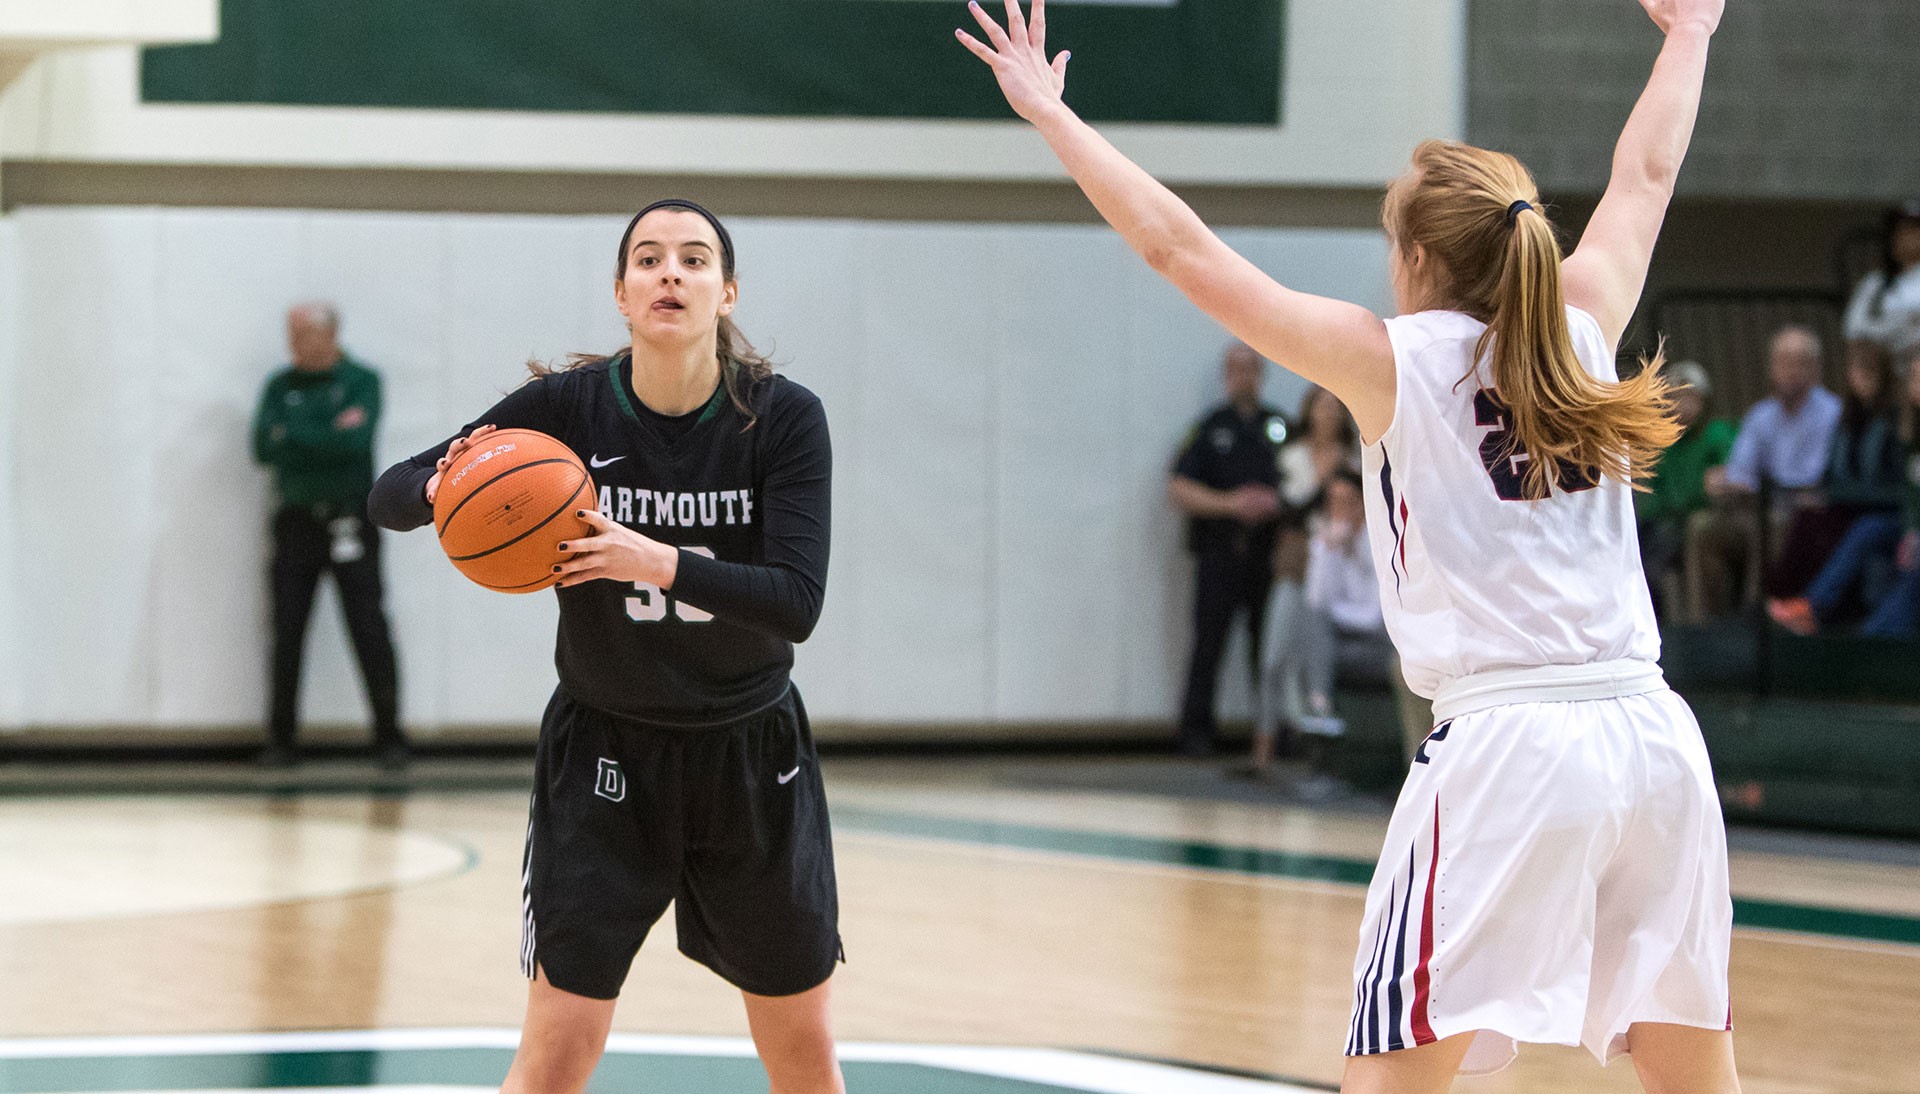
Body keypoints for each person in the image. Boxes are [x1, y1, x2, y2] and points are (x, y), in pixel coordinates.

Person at [959, 0, 1737, 1090]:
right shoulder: (1584, 322)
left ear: (1415, 257)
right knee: (1691, 1071)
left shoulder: (1395, 359)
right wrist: (1690, 34)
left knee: (1387, 1079)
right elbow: (1646, 176)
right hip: (1653, 738)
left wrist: (1053, 115)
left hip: (1509, 748)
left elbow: (1178, 248)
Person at [366, 201, 844, 1094]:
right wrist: (449, 484)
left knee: (803, 1051)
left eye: (694, 259)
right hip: (605, 750)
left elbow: (796, 602)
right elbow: (390, 495)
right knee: (557, 1051)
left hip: (750, 751)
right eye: (649, 259)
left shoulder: (783, 418)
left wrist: (652, 559)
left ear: (727, 292)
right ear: (621, 294)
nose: (671, 273)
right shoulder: (564, 412)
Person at [251, 302, 405, 769]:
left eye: (302, 335)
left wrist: (294, 435)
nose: (294, 345)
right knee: (287, 629)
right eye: (291, 335)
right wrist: (326, 433)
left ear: (330, 334)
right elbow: (262, 446)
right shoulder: (280, 386)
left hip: (350, 519)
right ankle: (281, 740)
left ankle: (389, 738)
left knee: (368, 626)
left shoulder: (361, 381)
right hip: (296, 521)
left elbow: (354, 443)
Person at [1167, 342, 1287, 757]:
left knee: (1268, 649)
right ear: (1226, 377)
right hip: (1219, 554)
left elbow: (1301, 482)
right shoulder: (1209, 428)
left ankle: (1271, 735)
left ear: (1261, 375)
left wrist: (1274, 503)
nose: (1243, 378)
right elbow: (1179, 488)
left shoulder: (1278, 427)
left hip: (1266, 557)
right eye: (1236, 370)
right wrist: (1231, 504)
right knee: (1208, 645)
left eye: (1250, 370)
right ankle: (1196, 732)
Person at [1684, 324, 1841, 621]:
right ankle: (1705, 625)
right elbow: (1740, 469)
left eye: (1798, 362)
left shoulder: (1831, 413)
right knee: (1702, 526)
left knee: (1769, 524)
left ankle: (1756, 622)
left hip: (1803, 514)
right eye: (1783, 362)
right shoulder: (1761, 415)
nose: (1790, 371)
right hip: (1754, 508)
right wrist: (1724, 481)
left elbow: (1811, 478)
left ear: (1814, 368)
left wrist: (1753, 485)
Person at [1770, 351, 1920, 636]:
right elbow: (1912, 489)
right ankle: (1795, 605)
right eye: (1913, 376)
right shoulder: (1899, 426)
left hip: (1886, 512)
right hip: (1880, 514)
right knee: (1808, 518)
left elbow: (1902, 488)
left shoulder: (1893, 421)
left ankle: (1871, 636)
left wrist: (1912, 531)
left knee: (1870, 530)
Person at [1251, 385, 1358, 771]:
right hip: (1296, 560)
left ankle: (1318, 751)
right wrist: (1326, 481)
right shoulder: (1292, 455)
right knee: (1274, 654)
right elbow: (1291, 510)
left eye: (1334, 406)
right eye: (1321, 406)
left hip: (1335, 564)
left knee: (1318, 659)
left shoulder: (1354, 457)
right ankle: (1263, 746)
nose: (1327, 414)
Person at [1633, 360, 1735, 619]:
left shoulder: (1717, 434)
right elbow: (1653, 493)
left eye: (1688, 396)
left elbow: (1725, 481)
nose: (1680, 403)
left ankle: (1702, 621)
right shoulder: (1662, 442)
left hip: (1708, 515)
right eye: (1674, 397)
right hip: (1666, 520)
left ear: (1704, 400)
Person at [1842, 199, 1920, 365]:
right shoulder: (1876, 284)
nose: (1907, 237)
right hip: (1885, 369)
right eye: (1901, 231)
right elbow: (1854, 330)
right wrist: (1901, 325)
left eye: (1914, 230)